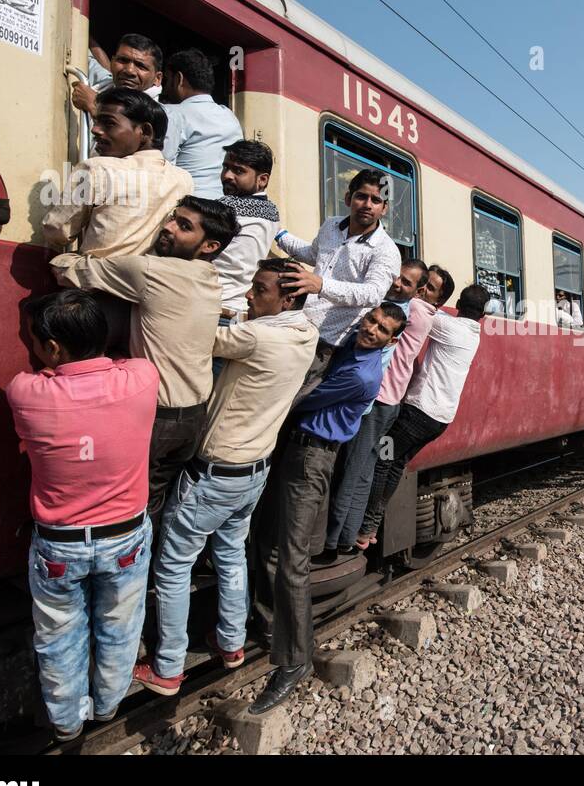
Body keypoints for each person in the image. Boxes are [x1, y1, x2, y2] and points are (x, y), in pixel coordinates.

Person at [132, 259, 319, 696]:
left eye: (259, 289)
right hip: (254, 472)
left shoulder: (255, 336)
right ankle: (231, 642)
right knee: (231, 554)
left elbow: (199, 339)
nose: (250, 296)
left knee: (174, 567)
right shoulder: (305, 333)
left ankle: (168, 667)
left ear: (287, 297)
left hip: (214, 474)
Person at [6, 290, 159, 741]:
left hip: (60, 544)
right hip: (126, 537)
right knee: (119, 626)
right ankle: (108, 705)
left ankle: (66, 722)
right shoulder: (142, 377)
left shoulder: (25, 391)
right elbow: (127, 363)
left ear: (53, 349)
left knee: (57, 636)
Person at [247, 302, 407, 713]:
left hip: (311, 460)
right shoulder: (354, 345)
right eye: (371, 320)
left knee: (290, 557)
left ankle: (294, 660)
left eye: (382, 329)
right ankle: (269, 626)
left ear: (392, 340)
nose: (371, 330)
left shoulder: (362, 374)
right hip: (299, 453)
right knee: (267, 544)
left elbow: (303, 400)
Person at [51, 197, 236, 522]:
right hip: (193, 418)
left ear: (209, 245)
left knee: (126, 511)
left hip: (156, 420)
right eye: (172, 218)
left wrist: (71, 251)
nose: (167, 227)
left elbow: (65, 271)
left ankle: (131, 570)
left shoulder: (150, 270)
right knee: (156, 505)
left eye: (183, 226)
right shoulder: (210, 276)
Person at [324, 262, 448, 556]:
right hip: (392, 403)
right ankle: (351, 535)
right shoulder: (427, 315)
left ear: (425, 294)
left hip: (379, 402)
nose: (396, 283)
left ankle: (332, 542)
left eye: (427, 287)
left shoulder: (410, 311)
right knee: (367, 470)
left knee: (353, 469)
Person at [356, 285, 491, 546]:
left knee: (384, 457)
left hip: (419, 414)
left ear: (458, 304)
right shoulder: (472, 334)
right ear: (482, 316)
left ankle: (366, 527)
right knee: (396, 462)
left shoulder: (451, 327)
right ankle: (371, 527)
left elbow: (420, 310)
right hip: (438, 420)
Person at [275, 168, 403, 405]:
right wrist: (279, 234)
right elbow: (314, 254)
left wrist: (321, 285)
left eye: (376, 200)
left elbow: (373, 294)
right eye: (361, 196)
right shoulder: (332, 225)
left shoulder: (386, 250)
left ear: (384, 209)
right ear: (348, 198)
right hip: (291, 322)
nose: (367, 204)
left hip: (322, 343)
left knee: (284, 406)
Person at [42, 87, 194, 259]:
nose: (95, 130)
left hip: (96, 279)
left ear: (145, 131)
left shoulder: (96, 169)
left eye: (109, 123)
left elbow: (57, 232)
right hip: (151, 280)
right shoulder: (183, 179)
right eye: (97, 122)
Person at [212, 141, 280, 334]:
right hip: (239, 314)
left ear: (262, 180)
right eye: (225, 167)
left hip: (214, 312)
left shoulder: (226, 208)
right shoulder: (272, 212)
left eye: (238, 171)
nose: (227, 176)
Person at [157, 49, 244, 199]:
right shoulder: (230, 116)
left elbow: (161, 167)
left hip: (188, 208)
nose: (165, 87)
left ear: (179, 79)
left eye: (167, 80)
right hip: (225, 208)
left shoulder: (172, 113)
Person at [72, 33, 164, 118]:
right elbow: (86, 57)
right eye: (123, 60)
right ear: (112, 62)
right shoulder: (105, 84)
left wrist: (95, 105)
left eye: (141, 66)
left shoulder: (157, 115)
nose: (129, 71)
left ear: (157, 78)